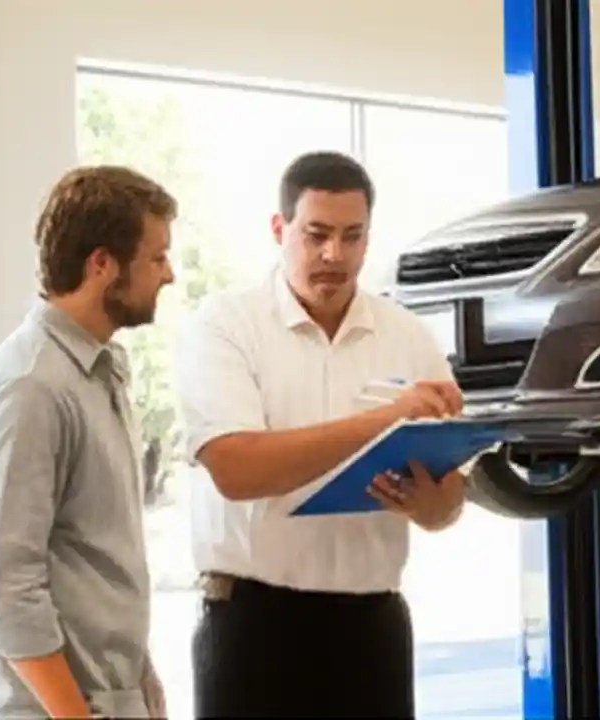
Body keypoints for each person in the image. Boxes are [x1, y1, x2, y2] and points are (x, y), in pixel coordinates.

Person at [175, 151, 468, 718]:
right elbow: (238, 470)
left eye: (352, 237)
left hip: (371, 628)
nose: (335, 254)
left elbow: (450, 500)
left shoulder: (408, 337)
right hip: (252, 628)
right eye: (316, 235)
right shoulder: (224, 325)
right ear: (279, 229)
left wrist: (433, 505)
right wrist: (388, 419)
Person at [0, 165, 176, 719]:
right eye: (156, 257)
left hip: (112, 697)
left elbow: (100, 558)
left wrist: (144, 686)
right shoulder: (31, 384)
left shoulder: (102, 371)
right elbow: (6, 593)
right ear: (102, 264)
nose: (170, 274)